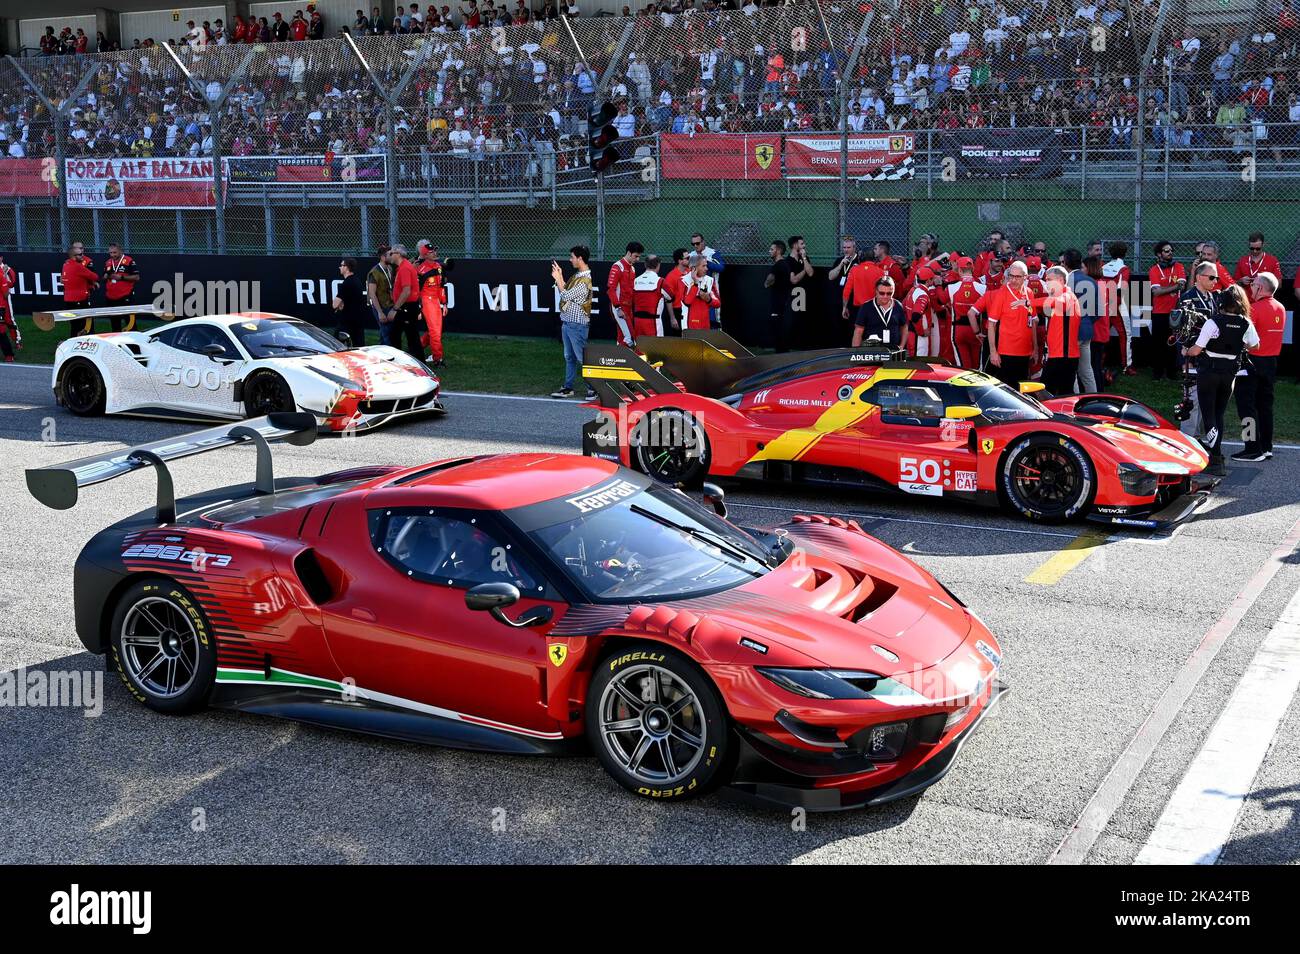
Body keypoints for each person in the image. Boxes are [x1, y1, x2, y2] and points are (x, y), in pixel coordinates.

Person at [1184, 282, 1258, 476]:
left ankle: (1215, 459)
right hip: (1229, 374)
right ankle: (1217, 455)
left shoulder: (1213, 322)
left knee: (1209, 414)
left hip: (1209, 372)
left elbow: (1197, 349)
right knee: (1219, 413)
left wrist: (1186, 349)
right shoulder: (1245, 323)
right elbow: (1255, 345)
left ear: (1222, 302)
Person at [1232, 272, 1284, 462]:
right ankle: (1266, 447)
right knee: (1265, 406)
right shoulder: (1281, 307)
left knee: (1246, 407)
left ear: (1261, 288)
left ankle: (1251, 449)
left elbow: (1245, 339)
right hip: (1271, 363)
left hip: (1252, 362)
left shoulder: (1253, 309)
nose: (1251, 289)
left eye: (1253, 285)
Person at [983, 260, 1036, 385]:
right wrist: (993, 352)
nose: (1013, 280)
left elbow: (1032, 321)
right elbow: (991, 324)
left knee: (1022, 388)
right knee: (1008, 388)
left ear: (1025, 277)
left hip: (1025, 351)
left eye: (1017, 277)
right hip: (1007, 352)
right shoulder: (1002, 293)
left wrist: (1036, 348)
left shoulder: (1029, 293)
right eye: (1011, 276)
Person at [551, 246, 593, 399]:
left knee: (582, 358)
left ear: (580, 258)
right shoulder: (578, 276)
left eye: (572, 257)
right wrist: (560, 276)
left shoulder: (585, 280)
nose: (570, 259)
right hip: (568, 323)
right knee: (570, 357)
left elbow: (566, 294)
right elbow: (565, 291)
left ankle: (593, 389)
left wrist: (558, 279)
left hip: (576, 325)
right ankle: (568, 387)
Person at [1036, 266, 1082, 396]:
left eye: (1049, 279)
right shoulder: (1065, 296)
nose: (1046, 282)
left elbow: (1053, 302)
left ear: (1060, 280)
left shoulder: (1067, 296)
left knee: (1054, 393)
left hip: (1064, 357)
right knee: (1057, 392)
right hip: (1059, 355)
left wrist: (1028, 302)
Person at [1146, 240, 1185, 379]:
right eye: (1166, 251)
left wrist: (1165, 289)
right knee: (1158, 344)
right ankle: (1157, 373)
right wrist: (1174, 287)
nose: (1170, 253)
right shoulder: (1154, 270)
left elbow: (1182, 285)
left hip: (1175, 312)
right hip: (1159, 312)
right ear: (1159, 254)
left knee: (1173, 343)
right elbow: (1156, 292)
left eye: (1171, 251)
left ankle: (1172, 373)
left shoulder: (1179, 266)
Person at [772, 236, 812, 351]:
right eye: (802, 244)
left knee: (803, 322)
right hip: (793, 297)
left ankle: (800, 346)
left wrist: (804, 258)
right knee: (791, 322)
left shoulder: (804, 258)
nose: (804, 246)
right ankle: (786, 347)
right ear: (795, 245)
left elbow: (810, 273)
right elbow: (793, 280)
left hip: (804, 296)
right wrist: (804, 270)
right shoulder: (787, 262)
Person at [1101, 242, 1134, 377]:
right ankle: (1127, 366)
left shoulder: (1104, 267)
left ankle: (1098, 363)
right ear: (1125, 253)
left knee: (1101, 336)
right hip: (1117, 305)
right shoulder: (1124, 268)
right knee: (1126, 335)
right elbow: (1122, 288)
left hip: (1102, 304)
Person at [386, 244, 423, 361]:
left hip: (406, 307)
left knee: (409, 336)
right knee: (398, 335)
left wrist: (395, 309)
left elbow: (406, 291)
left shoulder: (405, 268)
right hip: (406, 307)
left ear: (398, 254)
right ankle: (401, 361)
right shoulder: (403, 267)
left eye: (391, 253)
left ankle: (414, 362)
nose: (390, 255)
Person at [415, 239, 448, 367]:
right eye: (431, 252)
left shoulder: (438, 267)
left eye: (434, 251)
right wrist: (418, 308)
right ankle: (438, 359)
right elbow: (416, 291)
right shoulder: (421, 270)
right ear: (425, 255)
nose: (434, 253)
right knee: (435, 331)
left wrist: (444, 303)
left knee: (435, 330)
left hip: (435, 301)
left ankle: (416, 348)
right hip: (427, 301)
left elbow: (441, 287)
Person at [948, 257, 985, 368]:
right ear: (972, 269)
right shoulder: (982, 288)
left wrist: (939, 286)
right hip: (976, 330)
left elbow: (940, 300)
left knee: (963, 366)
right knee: (977, 366)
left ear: (959, 270)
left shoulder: (951, 287)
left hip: (958, 330)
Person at [852, 277, 906, 347]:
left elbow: (904, 327)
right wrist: (856, 353)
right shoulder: (866, 307)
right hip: (873, 351)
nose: (885, 296)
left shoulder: (898, 305)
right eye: (882, 293)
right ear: (876, 291)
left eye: (889, 293)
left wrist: (902, 346)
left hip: (893, 351)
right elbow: (858, 331)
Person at [606, 241, 641, 347]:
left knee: (622, 336)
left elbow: (632, 290)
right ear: (629, 253)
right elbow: (610, 289)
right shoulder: (617, 267)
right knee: (630, 338)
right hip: (620, 307)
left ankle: (620, 362)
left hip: (628, 308)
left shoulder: (633, 269)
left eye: (639, 256)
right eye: (636, 256)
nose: (637, 259)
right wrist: (618, 308)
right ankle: (614, 357)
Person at [61, 241, 100, 337]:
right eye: (80, 255)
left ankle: (73, 344)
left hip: (68, 300)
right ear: (74, 256)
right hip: (80, 299)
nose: (82, 256)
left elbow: (64, 280)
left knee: (74, 325)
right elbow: (95, 277)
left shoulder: (66, 265)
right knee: (86, 325)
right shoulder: (78, 266)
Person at [102, 242, 141, 332]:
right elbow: (103, 278)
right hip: (111, 298)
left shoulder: (129, 261)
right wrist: (105, 277)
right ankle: (117, 344)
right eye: (110, 253)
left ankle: (134, 344)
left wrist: (122, 277)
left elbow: (137, 277)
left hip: (125, 297)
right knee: (115, 325)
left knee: (130, 324)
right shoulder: (108, 262)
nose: (112, 255)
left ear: (120, 251)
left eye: (114, 252)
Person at [688, 232, 725, 327]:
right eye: (693, 244)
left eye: (698, 243)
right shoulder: (691, 255)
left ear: (703, 242)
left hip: (711, 291)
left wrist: (704, 262)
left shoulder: (713, 253)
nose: (695, 246)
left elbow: (721, 268)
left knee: (714, 320)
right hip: (695, 291)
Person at [331, 258, 370, 347]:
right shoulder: (357, 281)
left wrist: (341, 304)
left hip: (347, 322)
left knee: (335, 346)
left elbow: (335, 304)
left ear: (346, 267)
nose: (339, 267)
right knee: (359, 346)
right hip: (357, 321)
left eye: (341, 265)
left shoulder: (347, 283)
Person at [631, 255, 670, 339]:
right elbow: (670, 297)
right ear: (658, 265)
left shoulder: (636, 280)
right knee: (656, 349)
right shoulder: (660, 281)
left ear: (645, 265)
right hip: (653, 321)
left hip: (637, 321)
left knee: (639, 348)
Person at [902, 266, 935, 357]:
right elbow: (916, 316)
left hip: (911, 332)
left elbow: (904, 307)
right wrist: (922, 332)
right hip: (919, 335)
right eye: (932, 279)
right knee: (921, 361)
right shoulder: (922, 295)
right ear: (928, 281)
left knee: (914, 359)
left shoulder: (912, 290)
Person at [683, 254, 720, 332]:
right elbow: (687, 302)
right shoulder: (683, 281)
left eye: (706, 265)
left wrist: (709, 299)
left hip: (705, 324)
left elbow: (718, 303)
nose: (706, 269)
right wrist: (695, 284)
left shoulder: (709, 280)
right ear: (694, 268)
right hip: (689, 324)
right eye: (703, 266)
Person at [366, 244, 394, 347]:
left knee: (386, 334)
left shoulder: (390, 268)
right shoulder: (374, 272)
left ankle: (382, 354)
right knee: (387, 335)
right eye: (389, 255)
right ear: (383, 257)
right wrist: (380, 312)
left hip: (389, 305)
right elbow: (372, 293)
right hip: (381, 307)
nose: (392, 256)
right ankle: (390, 356)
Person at [659, 248, 688, 333]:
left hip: (688, 310)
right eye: (687, 258)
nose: (689, 259)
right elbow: (668, 299)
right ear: (680, 261)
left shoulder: (690, 272)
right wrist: (672, 318)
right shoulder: (671, 276)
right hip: (677, 311)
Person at [0, 253, 18, 361]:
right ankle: (9, 355)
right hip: (1, 303)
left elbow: (9, 288)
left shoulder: (5, 271)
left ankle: (10, 353)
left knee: (6, 325)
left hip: (2, 304)